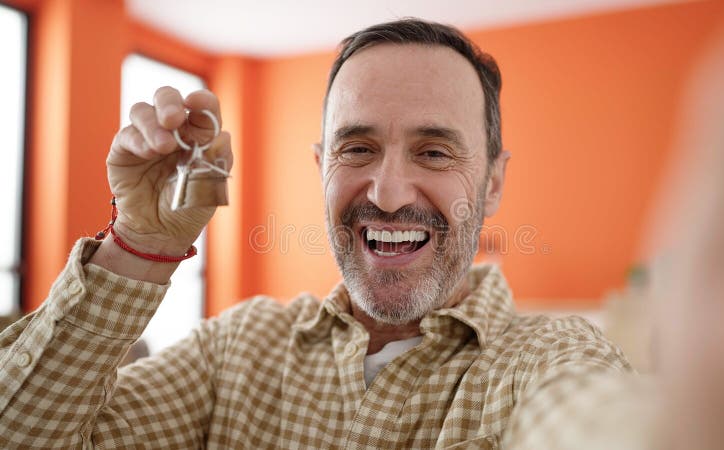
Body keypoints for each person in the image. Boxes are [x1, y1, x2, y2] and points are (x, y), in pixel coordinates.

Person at [0, 19, 631, 448]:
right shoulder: (237, 352)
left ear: (492, 183)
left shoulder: (545, 363)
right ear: (321, 167)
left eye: (435, 152)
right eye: (357, 148)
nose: (388, 195)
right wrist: (142, 242)